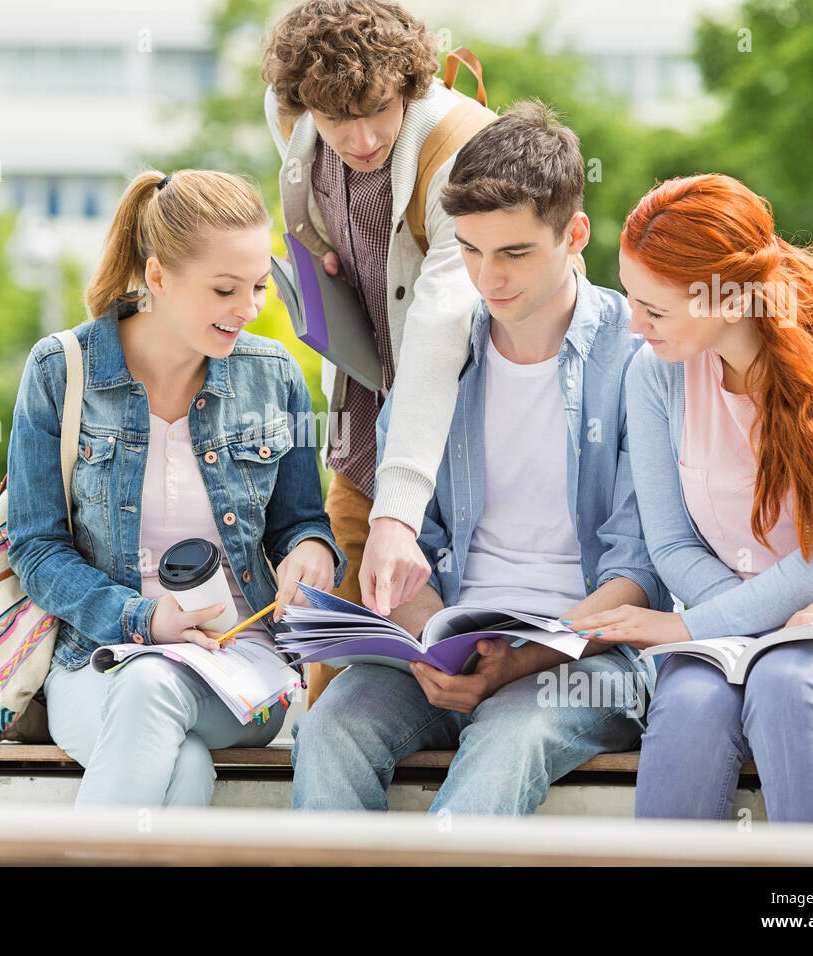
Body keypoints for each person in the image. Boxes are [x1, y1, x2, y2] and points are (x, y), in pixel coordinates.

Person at [290, 101, 668, 815]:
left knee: (508, 739)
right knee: (331, 726)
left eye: (515, 253)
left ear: (574, 234)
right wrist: (435, 647)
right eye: (469, 250)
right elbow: (414, 543)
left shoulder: (638, 357)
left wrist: (520, 662)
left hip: (586, 659)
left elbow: (639, 568)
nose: (488, 278)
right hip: (450, 648)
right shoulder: (441, 352)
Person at [566, 172, 813, 824]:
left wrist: (688, 627)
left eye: (655, 309)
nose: (635, 324)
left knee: (792, 685)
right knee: (688, 704)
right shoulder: (654, 373)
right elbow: (674, 544)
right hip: (736, 635)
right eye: (632, 299)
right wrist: (760, 622)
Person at [5, 169, 345, 809]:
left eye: (259, 287)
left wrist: (313, 552)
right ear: (157, 278)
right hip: (97, 660)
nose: (248, 309)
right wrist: (143, 619)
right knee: (180, 763)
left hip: (241, 667)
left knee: (152, 690)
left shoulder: (274, 376)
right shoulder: (60, 370)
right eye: (224, 290)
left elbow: (302, 521)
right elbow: (36, 549)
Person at [260, 0, 487, 702]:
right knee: (332, 662)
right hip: (363, 416)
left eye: (379, 111)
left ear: (412, 84)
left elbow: (441, 328)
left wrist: (399, 508)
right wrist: (325, 251)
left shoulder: (464, 151)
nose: (360, 140)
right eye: (336, 121)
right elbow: (316, 207)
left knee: (464, 661)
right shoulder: (289, 112)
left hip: (469, 421)